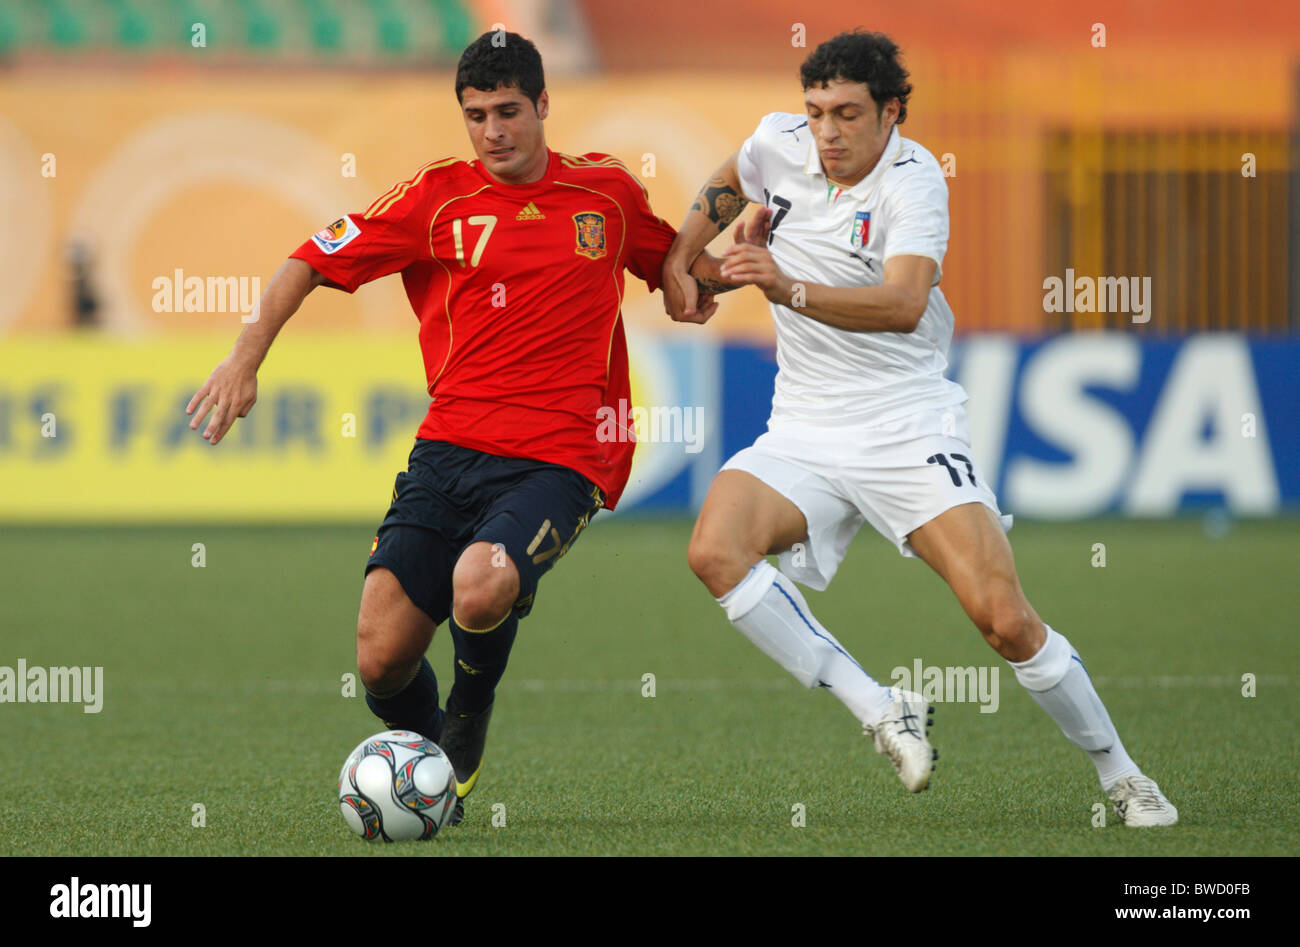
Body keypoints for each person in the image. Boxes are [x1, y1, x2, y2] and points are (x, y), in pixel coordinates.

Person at [186, 30, 705, 825]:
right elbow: (309, 259)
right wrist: (243, 360)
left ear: (542, 106)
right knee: (381, 657)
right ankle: (431, 773)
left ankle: (466, 720)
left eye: (507, 112)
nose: (493, 131)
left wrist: (714, 267)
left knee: (481, 579)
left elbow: (678, 275)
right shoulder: (434, 199)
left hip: (565, 455)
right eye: (475, 116)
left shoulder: (606, 195)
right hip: (448, 450)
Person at [661, 29, 1177, 826]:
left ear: (891, 112)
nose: (826, 132)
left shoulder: (916, 180)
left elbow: (903, 306)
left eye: (846, 114)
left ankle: (1122, 773)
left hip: (907, 419)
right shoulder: (780, 141)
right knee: (713, 550)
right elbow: (731, 177)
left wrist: (782, 285)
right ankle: (879, 706)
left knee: (1002, 618)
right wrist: (685, 253)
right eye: (815, 112)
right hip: (803, 422)